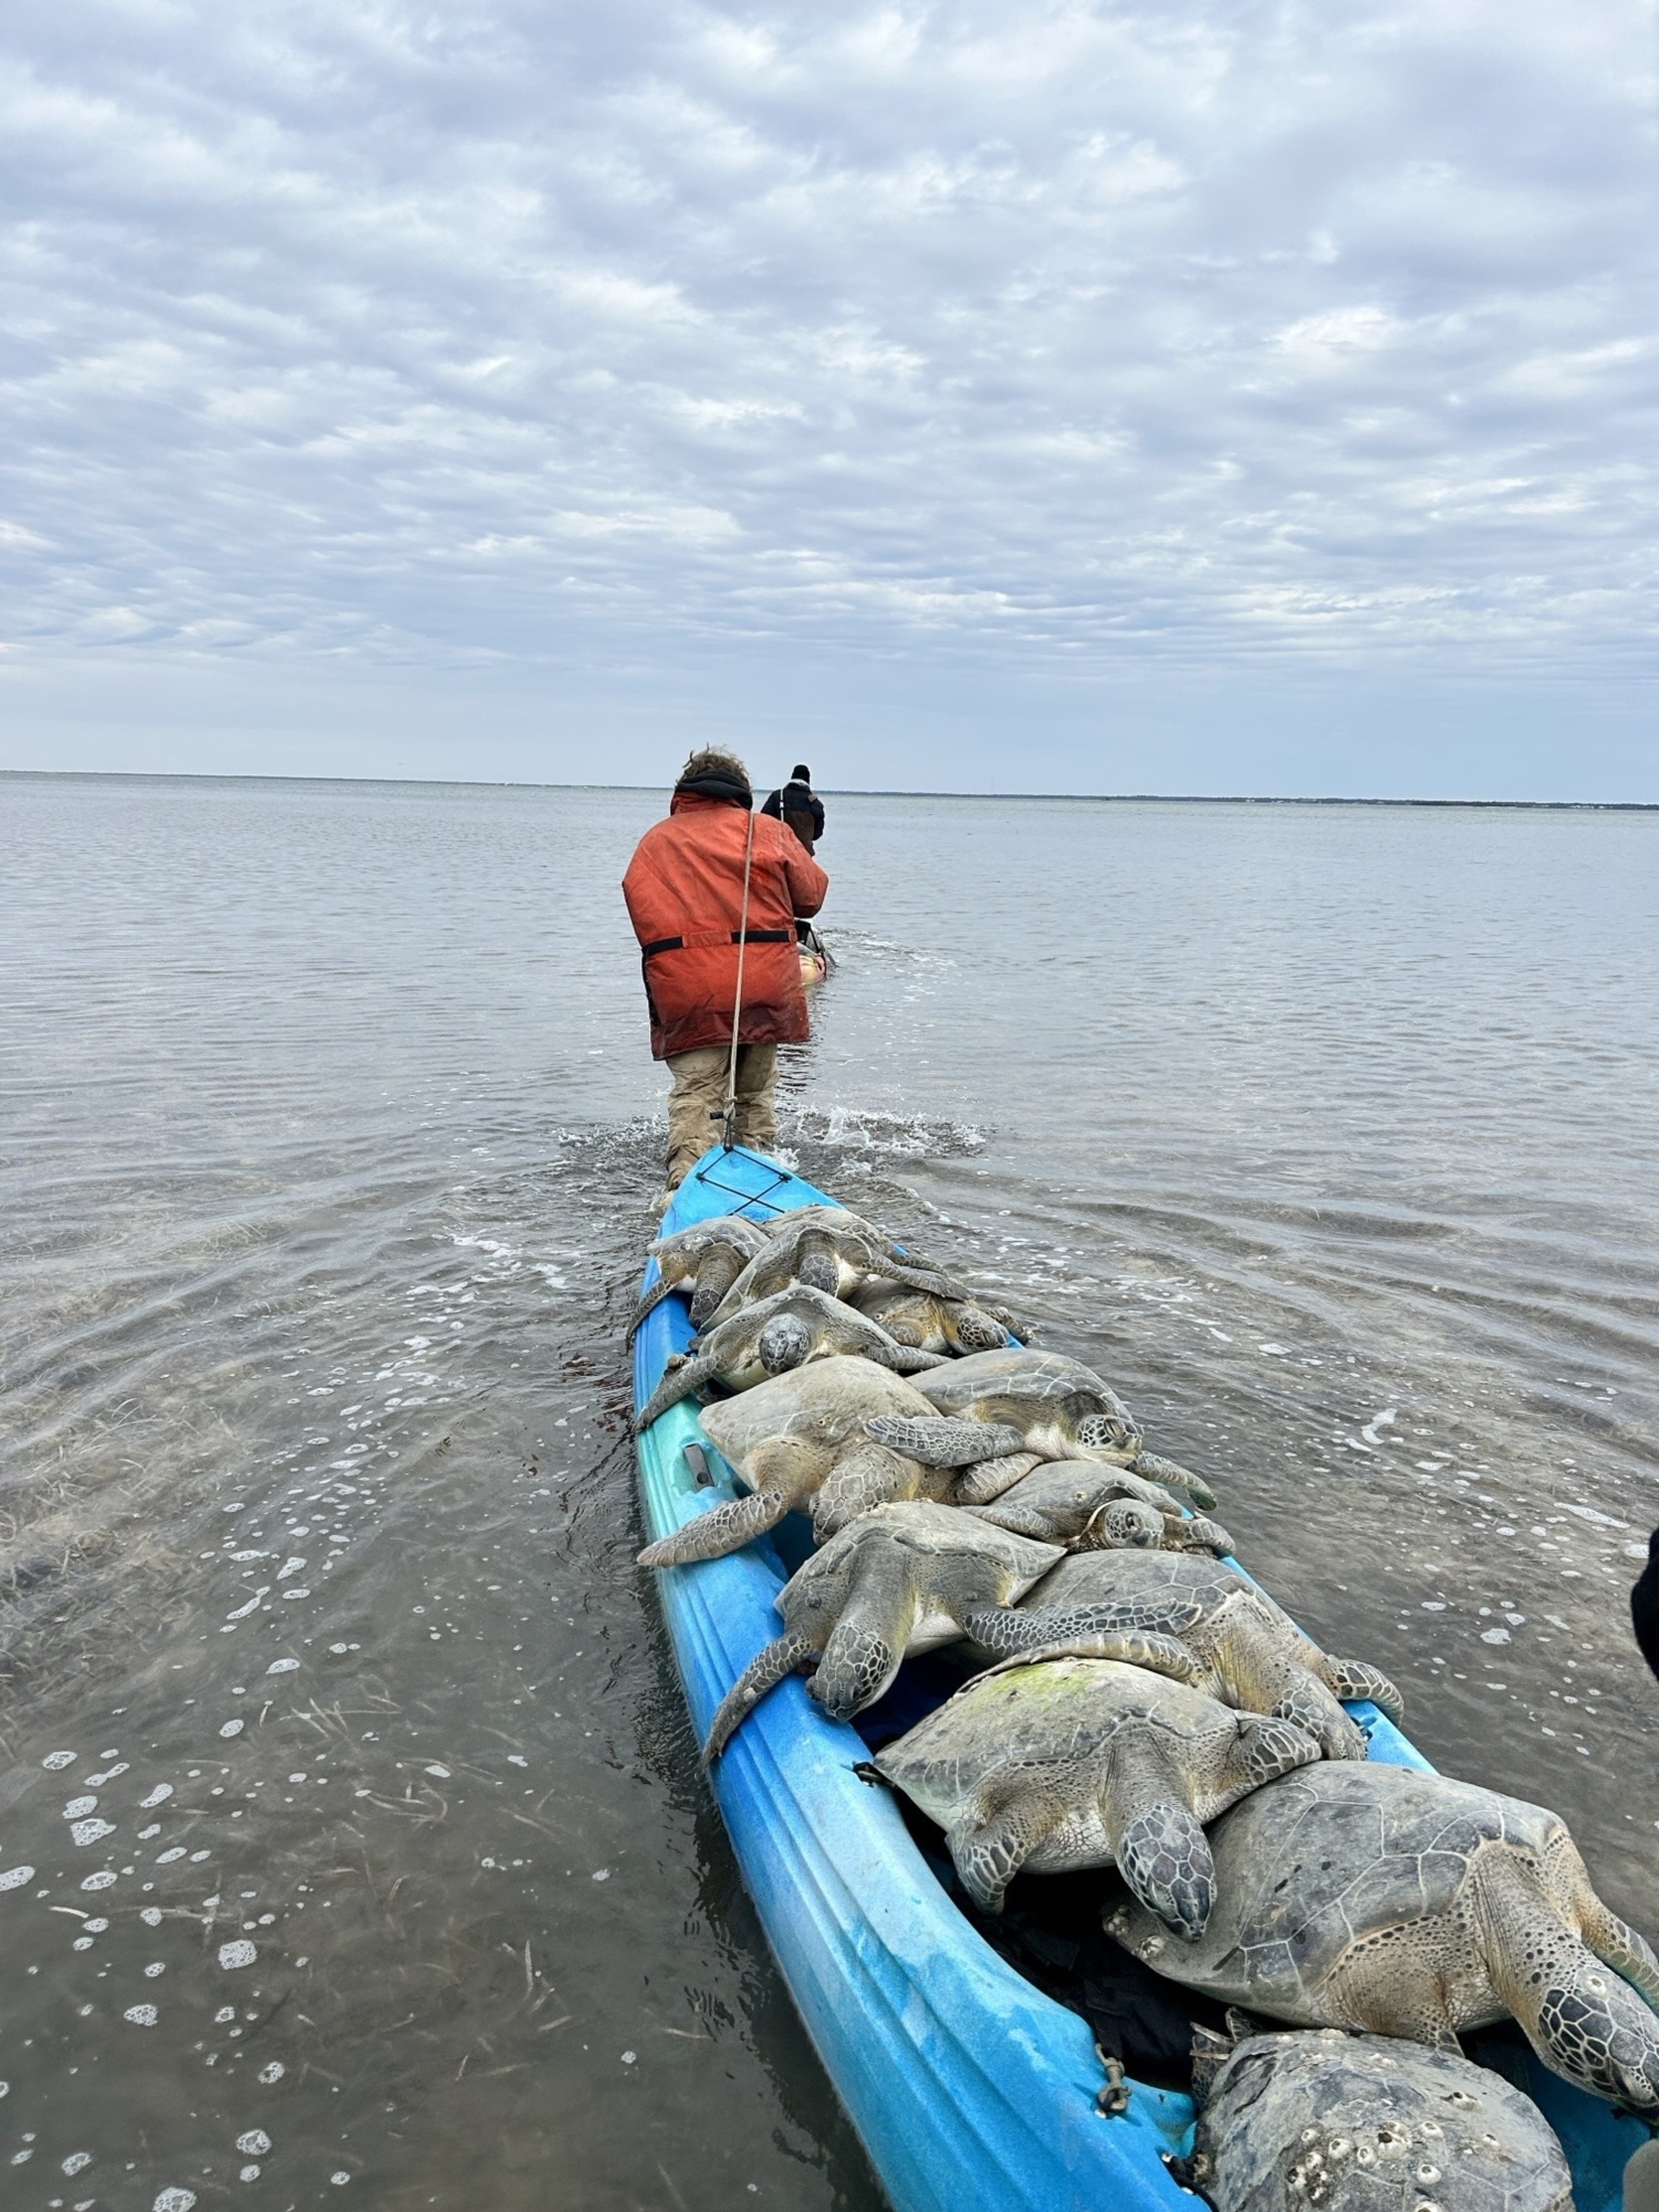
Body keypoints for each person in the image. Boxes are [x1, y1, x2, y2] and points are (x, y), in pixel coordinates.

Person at [623, 747, 828, 1198]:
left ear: (685, 792)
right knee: (754, 1097)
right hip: (762, 986)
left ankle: (685, 1195)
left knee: (698, 1094)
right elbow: (811, 896)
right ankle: (757, 1184)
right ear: (740, 791)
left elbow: (641, 910)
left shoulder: (656, 842)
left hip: (690, 992)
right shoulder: (767, 833)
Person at [761, 763, 825, 854]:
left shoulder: (778, 796)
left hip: (779, 853)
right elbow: (817, 834)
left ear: (792, 777)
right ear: (808, 780)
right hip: (804, 855)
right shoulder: (815, 803)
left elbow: (764, 822)